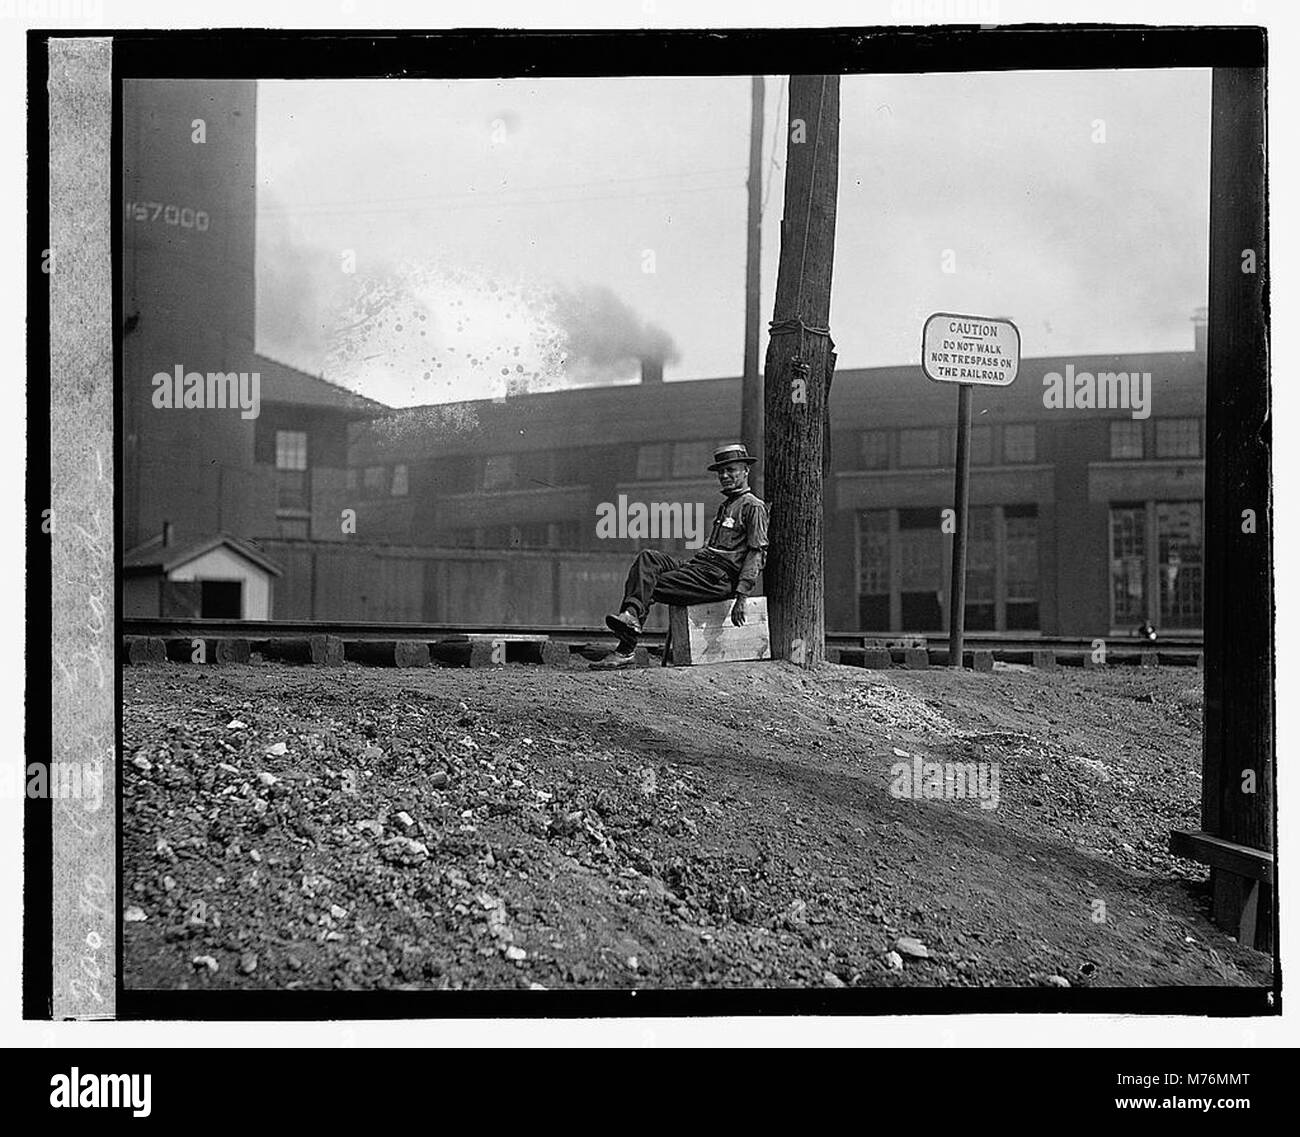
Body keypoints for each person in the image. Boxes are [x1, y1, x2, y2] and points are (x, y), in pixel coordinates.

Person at [593, 443, 769, 669]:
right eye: (721, 472)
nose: (725, 476)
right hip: (699, 568)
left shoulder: (753, 507)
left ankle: (625, 649)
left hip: (717, 579)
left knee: (649, 585)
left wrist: (741, 597)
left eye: (731, 470)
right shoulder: (727, 505)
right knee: (648, 558)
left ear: (746, 470)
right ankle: (630, 615)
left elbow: (757, 553)